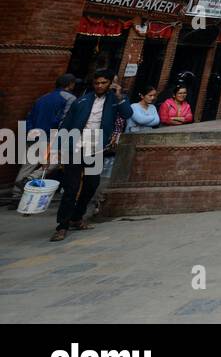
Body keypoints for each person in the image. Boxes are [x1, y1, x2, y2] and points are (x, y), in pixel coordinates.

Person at [50, 70, 133, 242]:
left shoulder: (114, 101)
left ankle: (77, 217)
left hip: (96, 149)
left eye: (104, 83)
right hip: (76, 148)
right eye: (97, 83)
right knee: (70, 189)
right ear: (93, 84)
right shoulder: (82, 100)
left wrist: (119, 95)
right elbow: (66, 125)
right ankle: (62, 226)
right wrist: (57, 148)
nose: (100, 86)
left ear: (110, 83)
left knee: (91, 185)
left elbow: (127, 114)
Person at [9, 73, 78, 206]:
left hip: (33, 134)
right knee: (54, 162)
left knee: (28, 165)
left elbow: (30, 116)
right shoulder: (70, 98)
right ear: (70, 84)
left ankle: (16, 196)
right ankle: (30, 179)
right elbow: (65, 120)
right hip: (50, 136)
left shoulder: (42, 98)